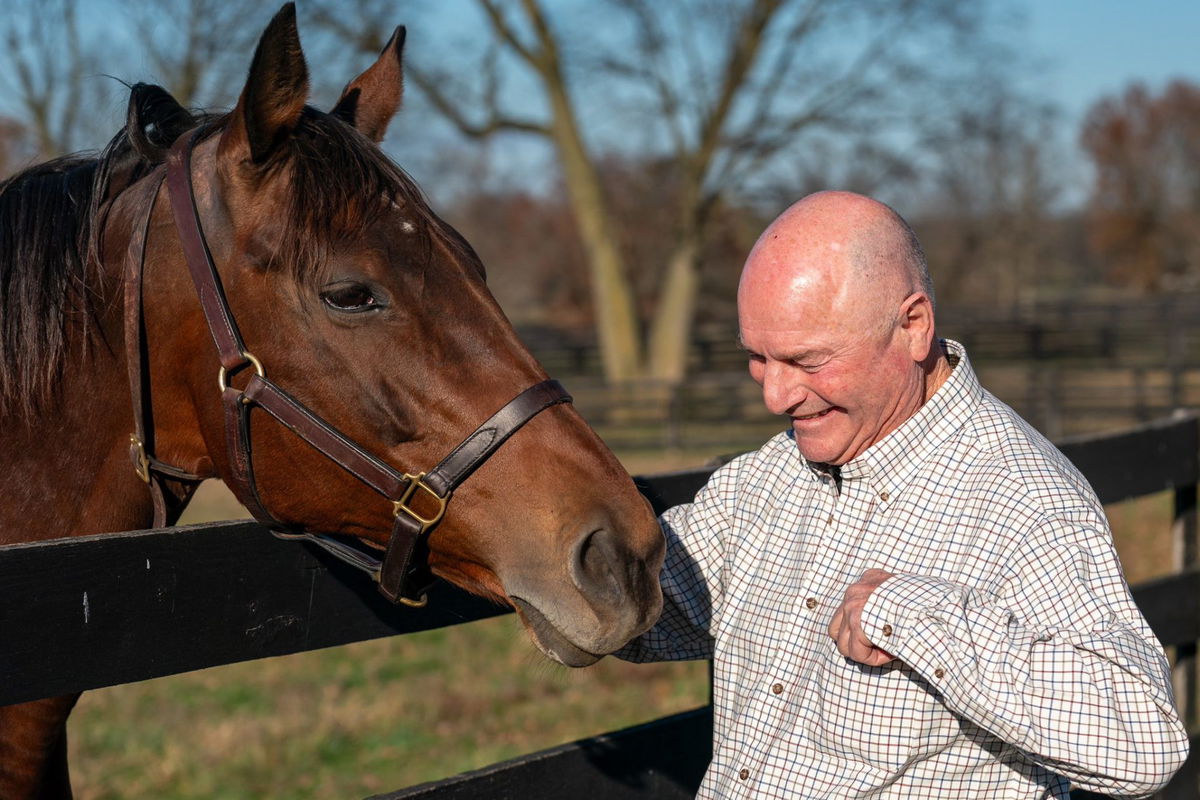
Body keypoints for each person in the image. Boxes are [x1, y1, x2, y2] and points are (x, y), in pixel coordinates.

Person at [618, 191, 1188, 798]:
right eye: (758, 358)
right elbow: (645, 604)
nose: (776, 396)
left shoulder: (1024, 499)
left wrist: (916, 618)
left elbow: (1143, 740)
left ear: (914, 326)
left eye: (807, 360)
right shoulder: (770, 475)